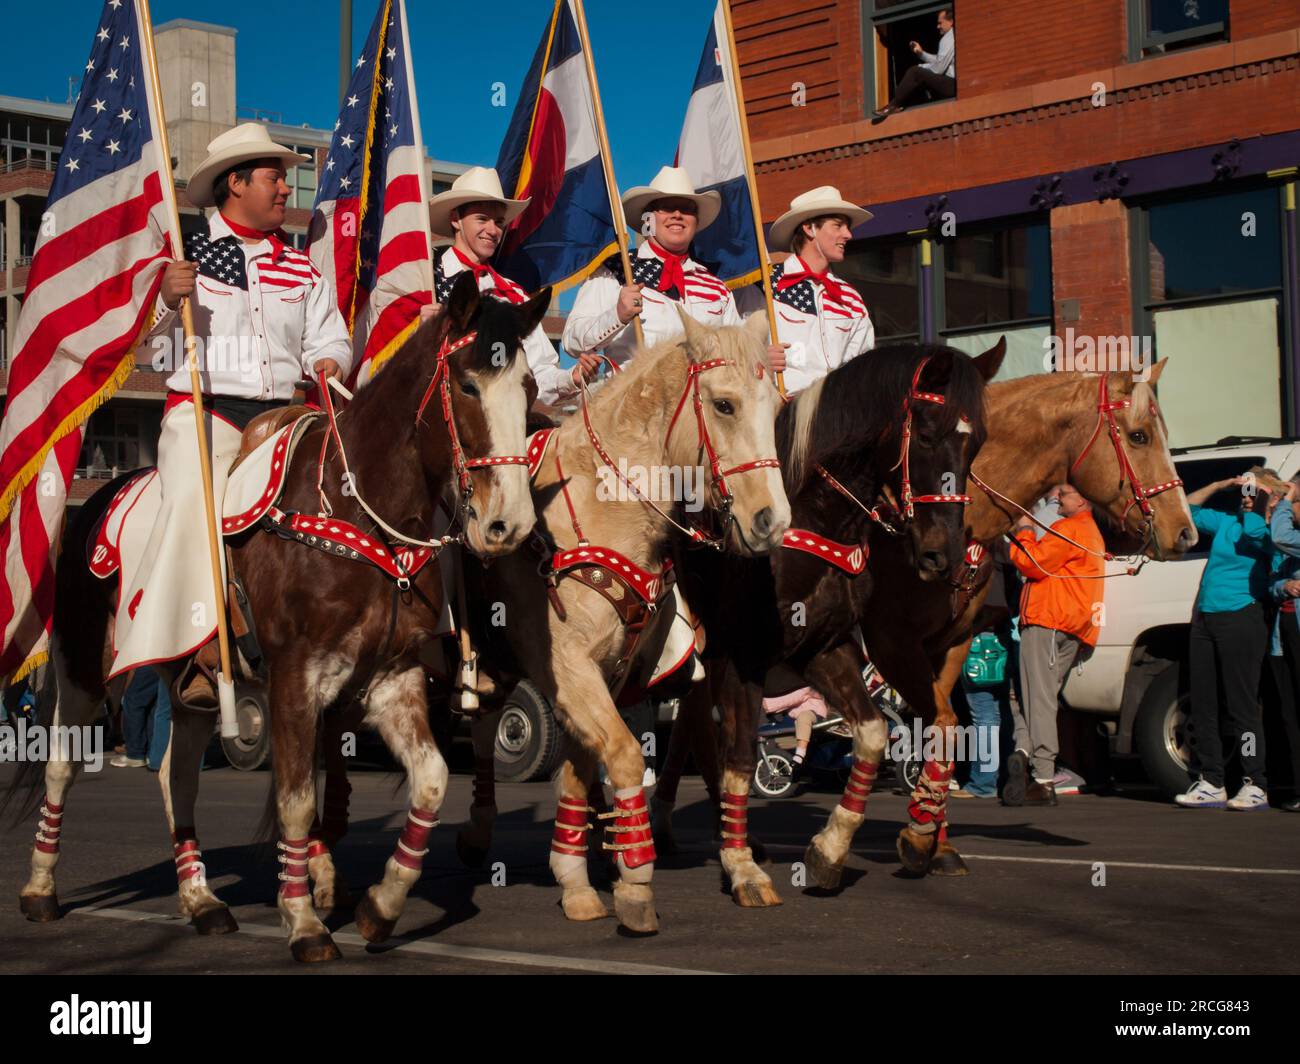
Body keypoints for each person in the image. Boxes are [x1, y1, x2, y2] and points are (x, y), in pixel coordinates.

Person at [110, 124, 353, 704]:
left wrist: (328, 362)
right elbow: (143, 349)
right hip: (205, 414)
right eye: (275, 178)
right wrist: (166, 301)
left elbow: (334, 339)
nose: (285, 190)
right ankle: (201, 647)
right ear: (234, 182)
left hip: (288, 419)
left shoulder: (302, 268)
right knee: (196, 498)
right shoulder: (180, 259)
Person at [563, 166, 778, 370]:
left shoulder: (717, 288)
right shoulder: (617, 270)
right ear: (648, 220)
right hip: (636, 403)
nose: (677, 214)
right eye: (666, 207)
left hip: (700, 406)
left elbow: (738, 354)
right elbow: (572, 341)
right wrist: (617, 315)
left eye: (687, 209)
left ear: (695, 222)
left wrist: (760, 358)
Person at [425, 167, 599, 405]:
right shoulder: (424, 275)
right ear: (456, 219)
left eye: (498, 222)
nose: (493, 230)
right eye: (482, 219)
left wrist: (572, 377)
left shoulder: (513, 294)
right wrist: (419, 331)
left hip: (497, 427)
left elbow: (538, 373)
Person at [1175, 471, 1276, 810]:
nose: (1246, 495)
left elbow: (1255, 529)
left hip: (1241, 617)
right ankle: (1212, 779)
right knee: (1204, 704)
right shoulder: (1227, 522)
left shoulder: (1269, 530)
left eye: (1254, 490)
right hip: (1207, 617)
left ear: (1270, 496)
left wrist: (1259, 500)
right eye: (1244, 490)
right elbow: (1185, 508)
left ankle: (1254, 782)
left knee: (1242, 708)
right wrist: (1219, 485)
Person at [1003, 484, 1104, 806]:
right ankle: (1023, 749)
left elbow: (1031, 562)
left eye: (1065, 494)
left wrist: (1025, 529)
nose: (1057, 498)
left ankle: (1043, 778)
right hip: (1071, 626)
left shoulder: (1070, 527)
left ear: (1083, 499)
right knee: (1027, 695)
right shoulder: (1089, 530)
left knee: (1039, 698)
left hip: (1049, 620)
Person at [737, 186, 876, 394]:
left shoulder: (851, 299)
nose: (848, 234)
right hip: (780, 413)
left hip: (836, 416)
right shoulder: (764, 285)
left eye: (847, 227)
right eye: (838, 226)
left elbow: (863, 368)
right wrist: (758, 360)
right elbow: (733, 348)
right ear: (809, 228)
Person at [1266, 478, 1300, 812]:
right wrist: (1285, 586)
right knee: (1290, 714)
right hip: (1283, 631)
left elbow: (1280, 536)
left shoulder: (1288, 535)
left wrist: (1285, 501)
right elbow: (1274, 582)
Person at [871, 8, 956, 123]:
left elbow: (939, 68)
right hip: (952, 84)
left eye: (940, 23)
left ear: (951, 21)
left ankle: (893, 105)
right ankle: (902, 105)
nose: (938, 26)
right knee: (919, 75)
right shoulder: (952, 37)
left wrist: (921, 67)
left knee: (915, 72)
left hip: (952, 84)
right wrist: (921, 53)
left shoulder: (949, 37)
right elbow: (940, 60)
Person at [112, 668, 172, 772]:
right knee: (154, 702)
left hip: (151, 659)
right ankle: (151, 752)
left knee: (133, 699)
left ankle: (136, 753)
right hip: (164, 660)